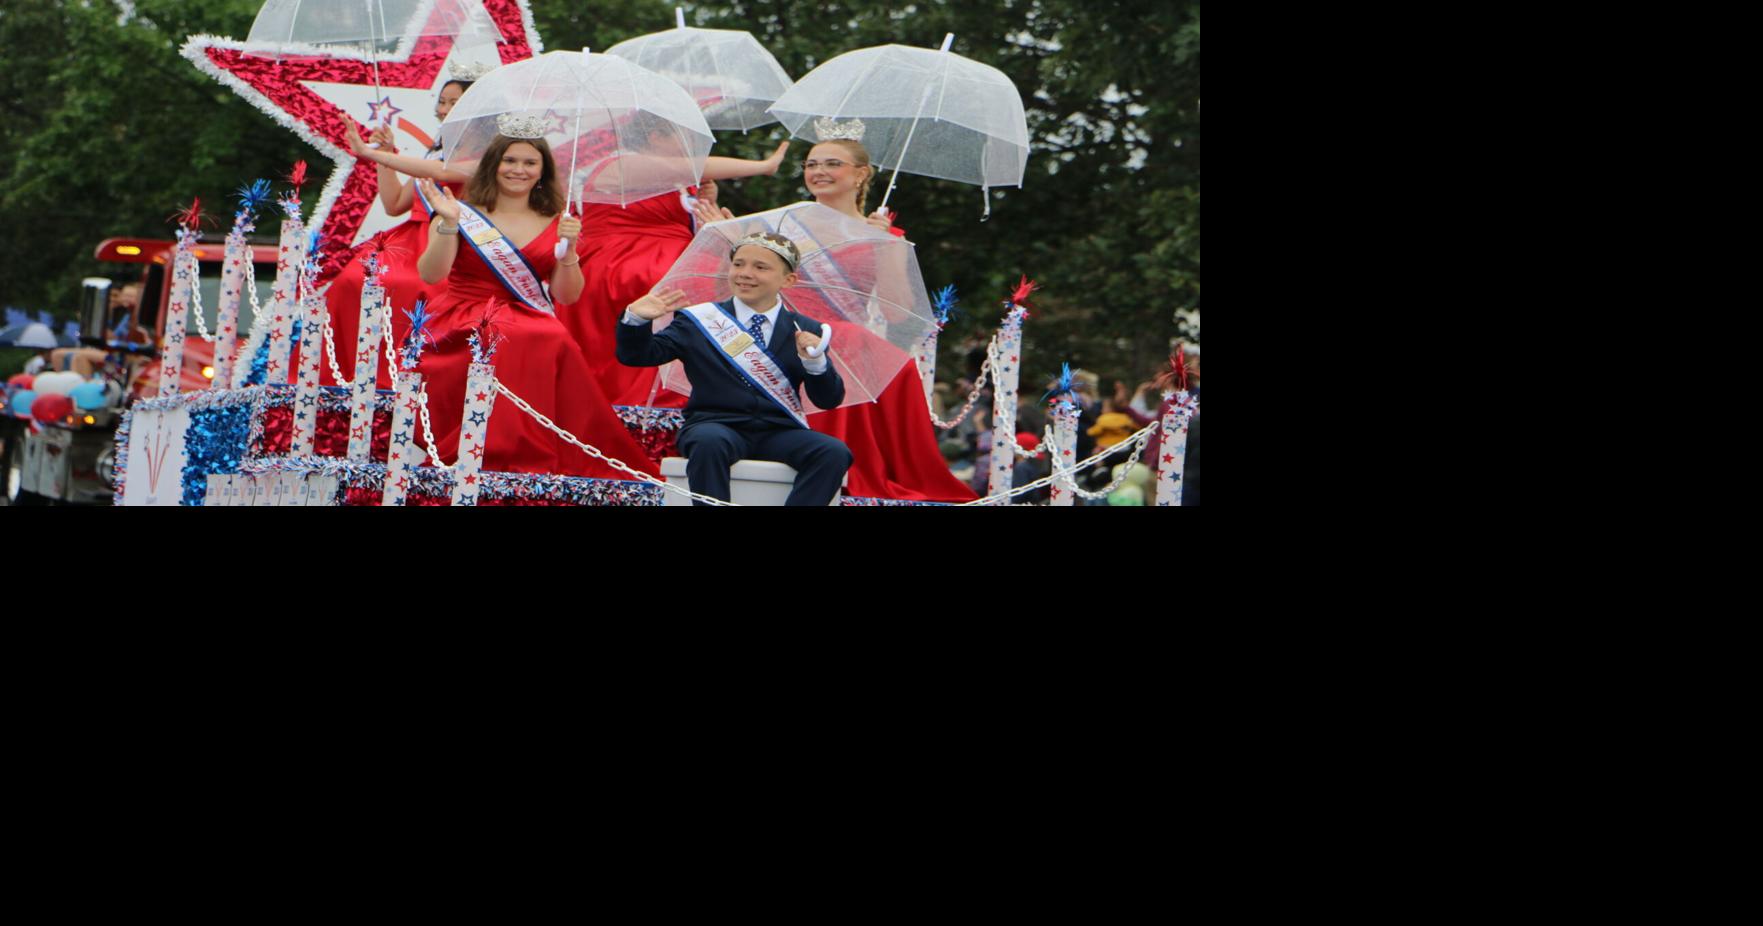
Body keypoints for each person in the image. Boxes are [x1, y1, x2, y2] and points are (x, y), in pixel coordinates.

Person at [693, 124, 975, 502]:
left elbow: (897, 313)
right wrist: (721, 239)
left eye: (832, 163)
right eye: (811, 164)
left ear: (860, 174)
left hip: (842, 337)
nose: (818, 171)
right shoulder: (776, 225)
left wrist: (885, 246)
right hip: (779, 333)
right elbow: (731, 292)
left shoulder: (881, 233)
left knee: (864, 350)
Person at [412, 130, 658, 479]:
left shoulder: (560, 221)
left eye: (530, 162)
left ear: (543, 171)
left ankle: (534, 450)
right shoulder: (460, 212)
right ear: (493, 165)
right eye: (510, 160)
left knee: (549, 336)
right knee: (517, 335)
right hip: (464, 313)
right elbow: (432, 274)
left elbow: (567, 295)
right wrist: (449, 223)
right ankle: (491, 454)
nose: (519, 170)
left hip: (525, 311)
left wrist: (570, 250)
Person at [617, 232, 852, 506]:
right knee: (709, 443)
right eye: (738, 264)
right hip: (715, 424)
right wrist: (635, 320)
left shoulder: (806, 329)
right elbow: (638, 355)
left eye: (760, 267)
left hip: (778, 431)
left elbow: (828, 399)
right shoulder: (700, 320)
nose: (745, 273)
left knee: (834, 452)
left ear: (789, 280)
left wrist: (815, 362)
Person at [560, 143, 789, 406]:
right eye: (677, 136)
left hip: (671, 267)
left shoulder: (681, 183)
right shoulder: (621, 162)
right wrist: (764, 166)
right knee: (623, 361)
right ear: (653, 135)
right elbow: (687, 167)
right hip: (629, 267)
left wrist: (706, 201)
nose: (686, 145)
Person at [310, 66, 485, 388]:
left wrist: (372, 154)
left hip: (444, 243)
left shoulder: (484, 157)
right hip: (406, 239)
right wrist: (384, 155)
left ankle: (400, 380)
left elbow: (443, 173)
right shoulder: (437, 154)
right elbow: (394, 204)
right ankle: (345, 378)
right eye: (442, 102)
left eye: (454, 102)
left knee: (408, 286)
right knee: (352, 281)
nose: (444, 109)